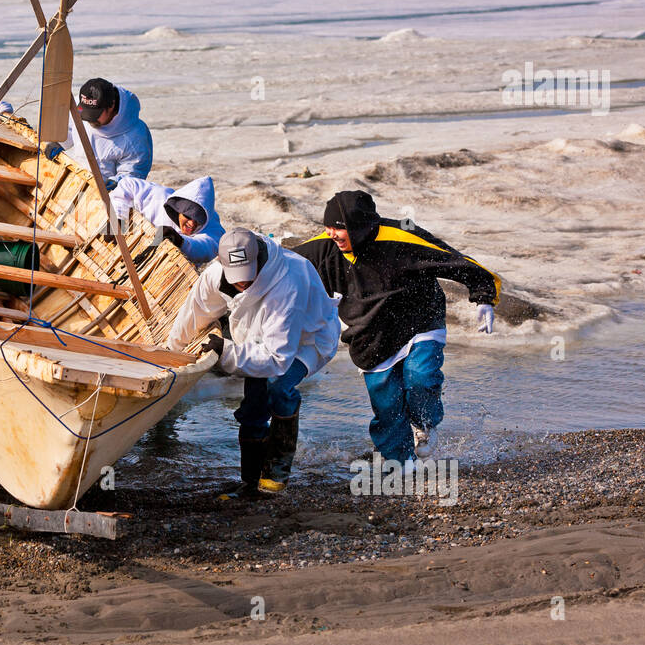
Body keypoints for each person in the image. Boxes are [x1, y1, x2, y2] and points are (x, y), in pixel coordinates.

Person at [294, 190, 500, 462]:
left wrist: (484, 296)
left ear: (360, 226)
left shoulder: (403, 235)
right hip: (369, 335)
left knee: (421, 377)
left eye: (338, 228)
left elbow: (452, 259)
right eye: (328, 227)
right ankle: (399, 465)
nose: (331, 234)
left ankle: (424, 424)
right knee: (387, 407)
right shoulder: (322, 248)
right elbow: (278, 265)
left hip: (420, 321)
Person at [167, 228, 341, 495]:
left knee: (278, 386)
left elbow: (278, 358)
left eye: (248, 276)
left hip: (308, 340)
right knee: (252, 407)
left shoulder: (288, 281)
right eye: (237, 278)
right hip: (259, 340)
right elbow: (194, 315)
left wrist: (226, 353)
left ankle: (277, 472)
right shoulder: (214, 275)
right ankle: (249, 481)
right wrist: (170, 354)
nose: (243, 284)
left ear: (259, 259)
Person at [45, 78, 152, 184]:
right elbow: (70, 126)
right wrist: (59, 142)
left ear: (111, 106)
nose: (89, 119)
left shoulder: (136, 138)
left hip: (106, 194)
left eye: (94, 115)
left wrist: (115, 184)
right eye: (85, 114)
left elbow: (132, 176)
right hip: (77, 179)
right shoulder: (84, 102)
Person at [110, 174, 224, 265]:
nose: (192, 224)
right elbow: (127, 185)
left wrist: (180, 241)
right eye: (188, 216)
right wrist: (118, 217)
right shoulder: (158, 196)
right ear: (178, 209)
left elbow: (206, 247)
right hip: (129, 253)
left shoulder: (212, 227)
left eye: (199, 220)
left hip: (167, 269)